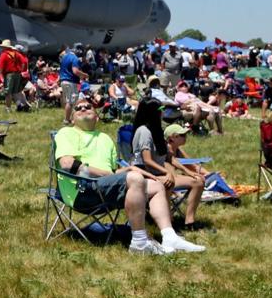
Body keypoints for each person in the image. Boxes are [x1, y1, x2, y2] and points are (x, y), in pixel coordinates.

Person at [55, 97, 202, 255]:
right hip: (81, 191)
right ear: (71, 119)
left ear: (97, 116)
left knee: (156, 185)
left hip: (104, 189)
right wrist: (113, 174)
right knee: (135, 178)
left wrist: (126, 171)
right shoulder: (66, 133)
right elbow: (68, 164)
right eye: (78, 108)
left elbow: (114, 172)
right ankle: (139, 242)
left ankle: (169, 236)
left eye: (88, 106)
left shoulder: (105, 139)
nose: (83, 108)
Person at [132, 99, 207, 232]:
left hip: (160, 174)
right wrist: (168, 173)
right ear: (152, 112)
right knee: (168, 183)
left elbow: (169, 157)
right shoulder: (144, 131)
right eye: (161, 109)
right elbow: (147, 160)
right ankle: (168, 224)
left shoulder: (156, 129)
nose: (164, 112)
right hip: (145, 175)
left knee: (199, 181)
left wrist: (188, 172)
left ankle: (189, 222)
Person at [58, 44, 86, 125]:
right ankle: (67, 120)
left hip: (63, 80)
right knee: (71, 102)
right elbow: (75, 71)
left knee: (68, 101)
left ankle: (68, 119)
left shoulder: (65, 57)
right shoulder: (74, 58)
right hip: (70, 81)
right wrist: (84, 75)